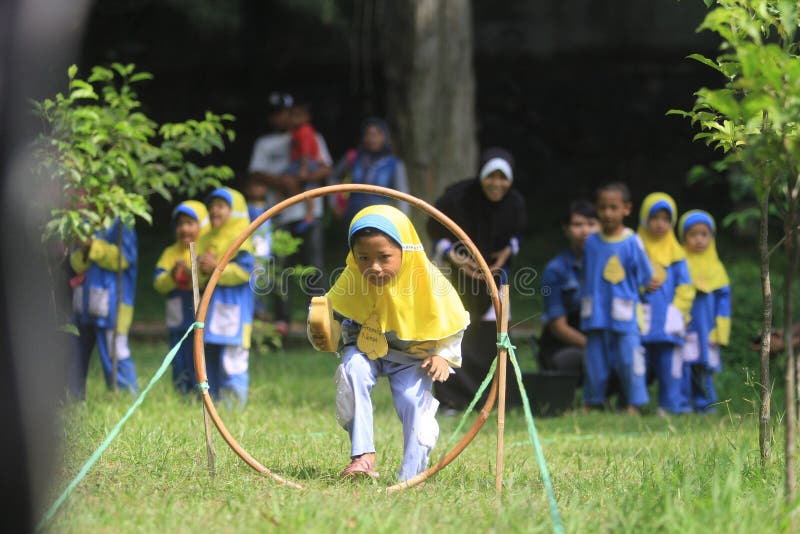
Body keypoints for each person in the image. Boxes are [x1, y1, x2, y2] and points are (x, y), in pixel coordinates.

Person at [309, 205, 470, 480]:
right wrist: (321, 328)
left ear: (405, 252)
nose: (373, 267)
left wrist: (443, 355)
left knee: (413, 402)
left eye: (384, 257)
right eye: (363, 257)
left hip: (412, 355)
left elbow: (453, 320)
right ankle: (363, 456)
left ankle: (411, 475)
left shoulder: (428, 282)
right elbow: (330, 314)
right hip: (364, 346)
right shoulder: (353, 278)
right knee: (352, 372)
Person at [426, 147, 526, 411]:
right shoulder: (457, 197)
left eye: (502, 177)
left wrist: (508, 250)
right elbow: (434, 228)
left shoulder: (514, 202)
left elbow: (517, 234)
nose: (497, 184)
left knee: (493, 338)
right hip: (456, 276)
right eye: (491, 176)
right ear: (481, 175)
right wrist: (453, 255)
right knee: (454, 334)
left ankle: (493, 400)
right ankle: (452, 400)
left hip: (493, 277)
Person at [247, 92, 332, 335]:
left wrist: (300, 179)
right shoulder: (265, 143)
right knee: (279, 266)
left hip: (310, 212)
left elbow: (325, 167)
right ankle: (281, 321)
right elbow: (256, 173)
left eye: (286, 111)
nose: (282, 117)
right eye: (276, 113)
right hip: (278, 213)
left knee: (314, 267)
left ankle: (318, 322)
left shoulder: (311, 135)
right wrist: (283, 182)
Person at [580, 182, 653, 413]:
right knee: (595, 360)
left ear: (627, 209)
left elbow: (646, 276)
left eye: (614, 207)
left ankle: (634, 402)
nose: (608, 213)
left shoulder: (632, 242)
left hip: (626, 311)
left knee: (630, 358)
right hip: (596, 311)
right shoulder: (591, 242)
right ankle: (593, 401)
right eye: (603, 208)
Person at [196, 187, 255, 406]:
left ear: (235, 210)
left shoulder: (242, 240)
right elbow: (204, 276)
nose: (214, 211)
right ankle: (214, 402)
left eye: (221, 206)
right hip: (212, 310)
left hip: (234, 310)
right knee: (209, 354)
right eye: (211, 207)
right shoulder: (208, 238)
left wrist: (216, 268)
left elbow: (245, 272)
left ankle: (234, 405)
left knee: (234, 359)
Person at [638, 192, 695, 415]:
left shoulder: (677, 254)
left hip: (667, 321)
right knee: (638, 364)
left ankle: (670, 404)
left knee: (669, 364)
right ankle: (635, 404)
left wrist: (677, 311)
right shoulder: (635, 247)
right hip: (641, 317)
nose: (660, 224)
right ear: (644, 218)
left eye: (665, 219)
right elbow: (626, 278)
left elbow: (685, 285)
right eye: (654, 218)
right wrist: (641, 286)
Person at [69, 218, 139, 398]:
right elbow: (76, 263)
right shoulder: (83, 220)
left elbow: (124, 258)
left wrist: (92, 246)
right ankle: (73, 397)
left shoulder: (123, 221)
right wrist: (84, 249)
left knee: (116, 352)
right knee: (76, 352)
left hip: (114, 305)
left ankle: (126, 396)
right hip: (85, 303)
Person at [538, 200, 599, 379]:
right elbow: (558, 327)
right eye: (578, 224)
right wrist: (595, 347)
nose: (585, 231)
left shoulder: (611, 266)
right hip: (563, 345)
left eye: (591, 224)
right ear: (566, 229)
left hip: (601, 337)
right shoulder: (555, 270)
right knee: (582, 358)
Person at [153, 200, 210, 395]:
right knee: (178, 355)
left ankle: (200, 393)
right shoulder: (170, 253)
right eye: (180, 224)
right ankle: (181, 392)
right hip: (177, 314)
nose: (184, 228)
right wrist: (171, 275)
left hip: (198, 313)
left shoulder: (205, 250)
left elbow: (207, 279)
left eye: (190, 223)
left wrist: (192, 272)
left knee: (198, 355)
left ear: (202, 224)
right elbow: (158, 282)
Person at [678, 210, 730, 413]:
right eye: (693, 234)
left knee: (704, 367)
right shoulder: (679, 263)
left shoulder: (717, 268)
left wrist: (720, 331)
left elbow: (724, 302)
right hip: (686, 325)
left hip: (708, 327)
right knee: (682, 365)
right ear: (683, 237)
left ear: (711, 237)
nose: (699, 239)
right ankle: (682, 405)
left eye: (704, 234)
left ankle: (707, 404)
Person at [330, 117, 410, 226]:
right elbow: (333, 177)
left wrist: (402, 222)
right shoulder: (353, 157)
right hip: (353, 217)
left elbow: (403, 195)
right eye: (368, 134)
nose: (371, 139)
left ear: (384, 137)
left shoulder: (395, 164)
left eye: (376, 135)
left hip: (382, 219)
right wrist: (334, 204)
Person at [244, 178, 272, 321]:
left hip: (265, 250)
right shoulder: (247, 208)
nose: (258, 190)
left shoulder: (269, 207)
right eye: (255, 186)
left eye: (261, 186)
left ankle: (262, 310)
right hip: (254, 249)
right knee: (253, 279)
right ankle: (253, 309)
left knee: (264, 280)